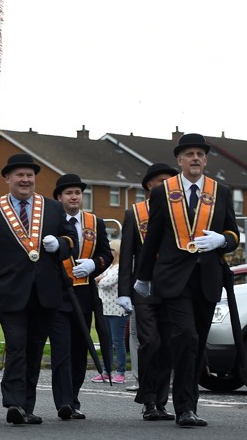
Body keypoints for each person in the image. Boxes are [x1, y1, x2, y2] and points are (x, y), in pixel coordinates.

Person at [0, 153, 77, 426]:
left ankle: (26, 404)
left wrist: (59, 245)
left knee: (34, 348)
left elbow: (71, 238)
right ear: (8, 179)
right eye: (20, 175)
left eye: (29, 175)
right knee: (16, 346)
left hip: (45, 291)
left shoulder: (52, 207)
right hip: (8, 293)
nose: (25, 180)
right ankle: (13, 402)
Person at [135, 133, 240, 427]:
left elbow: (234, 235)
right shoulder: (163, 192)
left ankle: (189, 405)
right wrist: (143, 278)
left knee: (197, 343)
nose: (195, 158)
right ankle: (183, 408)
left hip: (207, 279)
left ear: (205, 161)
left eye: (200, 154)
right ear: (179, 160)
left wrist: (222, 240)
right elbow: (153, 237)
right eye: (189, 154)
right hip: (173, 280)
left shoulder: (221, 191)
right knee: (186, 337)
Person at [49, 173, 113, 420]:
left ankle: (73, 400)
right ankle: (63, 402)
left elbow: (107, 254)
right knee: (62, 349)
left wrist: (93, 264)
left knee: (79, 350)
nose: (74, 197)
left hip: (84, 294)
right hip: (58, 295)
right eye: (69, 193)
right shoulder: (51, 221)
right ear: (59, 197)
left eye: (77, 193)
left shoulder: (94, 222)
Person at [116, 162, 178, 420]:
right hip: (144, 289)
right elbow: (127, 254)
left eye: (169, 181)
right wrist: (124, 291)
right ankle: (148, 396)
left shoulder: (180, 213)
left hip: (172, 288)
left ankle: (159, 402)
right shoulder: (135, 212)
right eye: (160, 181)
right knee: (151, 341)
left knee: (168, 347)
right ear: (148, 187)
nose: (165, 185)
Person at [93, 239, 128, 383]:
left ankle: (121, 372)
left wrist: (100, 279)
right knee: (106, 342)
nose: (110, 253)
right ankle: (107, 371)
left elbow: (105, 283)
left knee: (117, 341)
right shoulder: (110, 267)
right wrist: (100, 278)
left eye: (111, 250)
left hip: (117, 310)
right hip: (105, 308)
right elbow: (96, 278)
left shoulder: (120, 267)